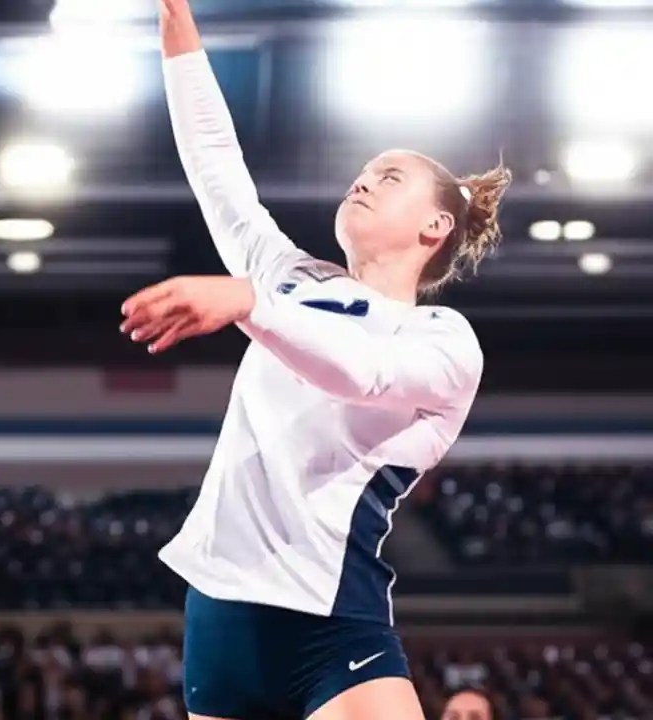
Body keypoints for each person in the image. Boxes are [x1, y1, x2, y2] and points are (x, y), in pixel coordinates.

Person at [119, 1, 511, 719]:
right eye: (363, 171)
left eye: (390, 177)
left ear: (436, 225)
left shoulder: (442, 339)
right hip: (222, 612)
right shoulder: (289, 277)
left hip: (332, 622)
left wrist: (249, 302)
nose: (364, 180)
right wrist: (175, 18)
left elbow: (359, 373)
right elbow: (216, 167)